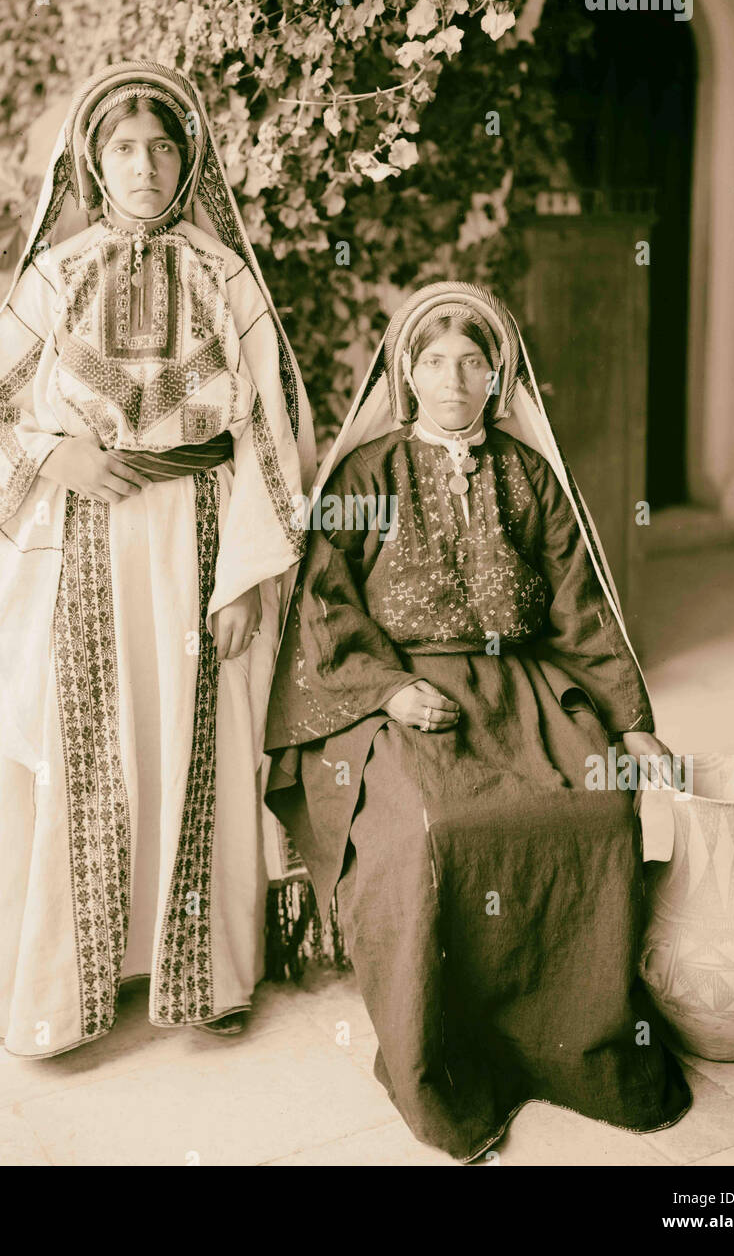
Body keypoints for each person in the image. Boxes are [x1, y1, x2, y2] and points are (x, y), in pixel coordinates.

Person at [264, 281, 692, 1162]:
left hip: (526, 684)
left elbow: (578, 606)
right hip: (401, 694)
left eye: (472, 362)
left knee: (600, 808)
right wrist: (387, 691)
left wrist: (629, 719)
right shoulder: (366, 473)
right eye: (434, 361)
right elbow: (324, 607)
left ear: (497, 376)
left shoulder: (530, 473)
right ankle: (443, 1051)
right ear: (404, 372)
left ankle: (575, 1039)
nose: (453, 379)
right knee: (433, 832)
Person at [0, 61, 314, 1057]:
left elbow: (274, 431)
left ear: (187, 157)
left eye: (161, 146)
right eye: (122, 148)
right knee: (97, 743)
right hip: (91, 545)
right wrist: (56, 455)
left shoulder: (223, 273)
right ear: (91, 162)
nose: (143, 166)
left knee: (200, 740)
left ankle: (210, 973)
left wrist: (246, 573)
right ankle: (75, 984)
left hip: (204, 535)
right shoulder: (57, 272)